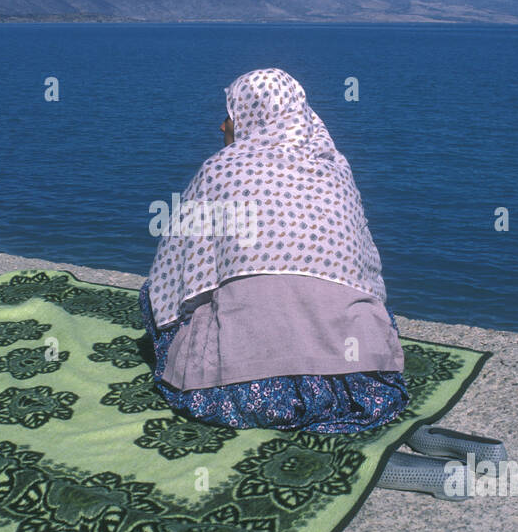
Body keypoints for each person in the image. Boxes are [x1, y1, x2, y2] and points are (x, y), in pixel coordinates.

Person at [139, 68, 475, 495]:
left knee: (155, 297)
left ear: (250, 114)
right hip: (365, 381)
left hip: (243, 389)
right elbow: (369, 273)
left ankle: (360, 463)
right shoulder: (335, 168)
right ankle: (405, 437)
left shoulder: (219, 170)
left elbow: (172, 275)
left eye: (229, 113)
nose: (221, 125)